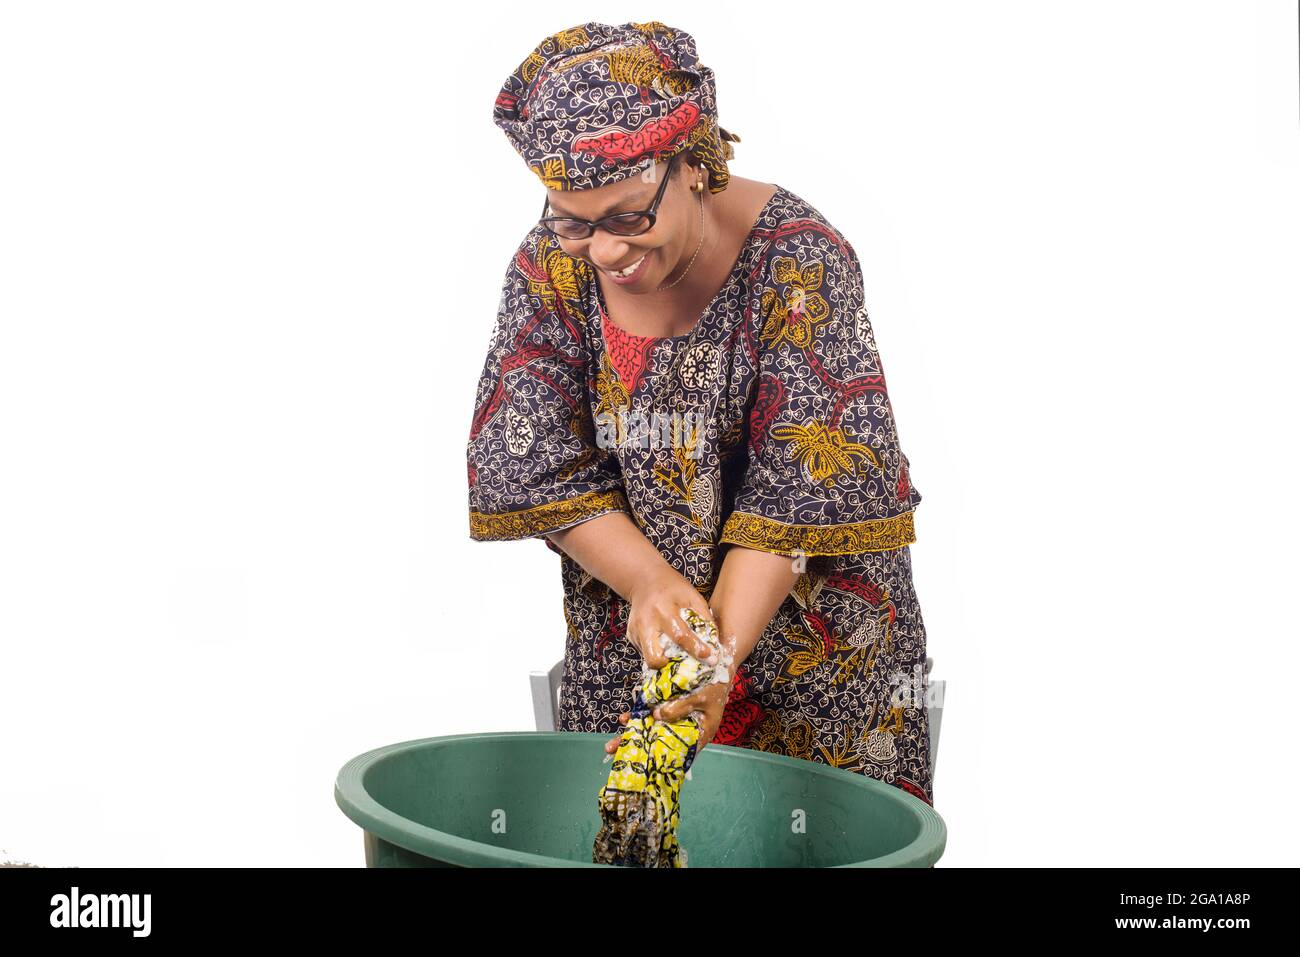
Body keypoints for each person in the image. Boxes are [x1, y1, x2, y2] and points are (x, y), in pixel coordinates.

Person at [468, 20, 934, 806]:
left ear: (693, 165)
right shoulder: (552, 267)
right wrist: (648, 583)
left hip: (813, 669)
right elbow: (534, 460)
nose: (604, 251)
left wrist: (716, 662)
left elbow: (803, 491)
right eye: (572, 220)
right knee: (635, 834)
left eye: (627, 217)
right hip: (643, 655)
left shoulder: (799, 261)